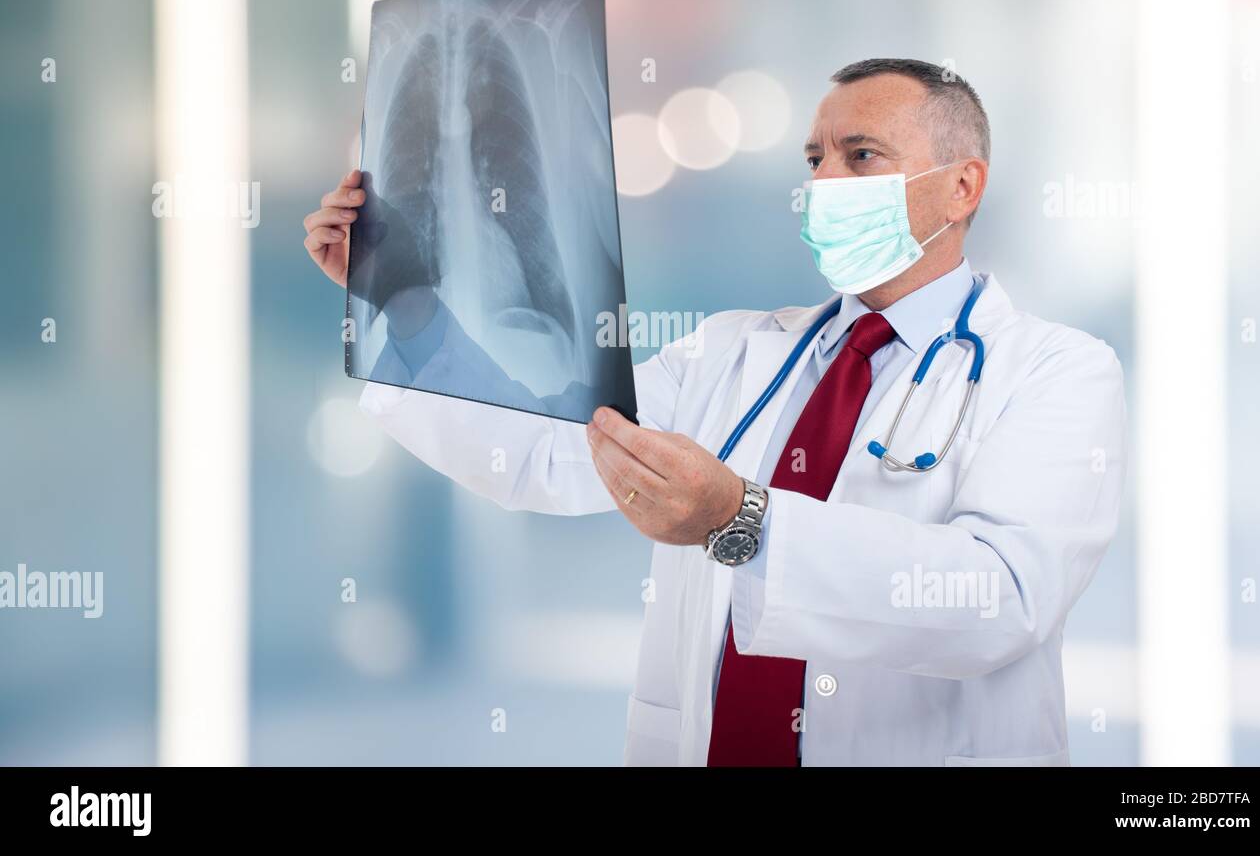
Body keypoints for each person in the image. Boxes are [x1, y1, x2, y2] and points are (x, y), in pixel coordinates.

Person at [303, 57, 1126, 767]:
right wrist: (403, 305)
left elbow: (1000, 598)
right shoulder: (731, 352)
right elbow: (549, 452)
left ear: (960, 187)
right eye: (815, 158)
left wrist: (745, 521)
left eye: (860, 155)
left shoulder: (1056, 372)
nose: (824, 184)